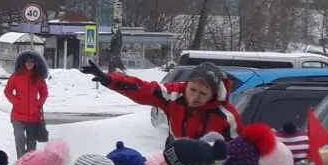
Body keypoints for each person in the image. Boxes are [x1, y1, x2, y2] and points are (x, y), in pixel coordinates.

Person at [80, 61, 240, 142]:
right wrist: (110, 80)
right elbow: (142, 89)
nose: (195, 97)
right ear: (187, 84)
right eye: (192, 90)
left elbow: (241, 150)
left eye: (203, 93)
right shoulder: (174, 95)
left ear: (212, 94)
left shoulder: (227, 116)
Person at [4, 50, 49, 159]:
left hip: (33, 116)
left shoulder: (38, 78)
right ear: (23, 62)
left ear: (35, 64)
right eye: (27, 62)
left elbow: (44, 93)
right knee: (19, 138)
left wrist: (38, 104)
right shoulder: (16, 76)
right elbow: (7, 91)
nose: (29, 64)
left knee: (31, 144)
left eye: (32, 62)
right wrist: (16, 102)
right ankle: (21, 163)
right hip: (18, 115)